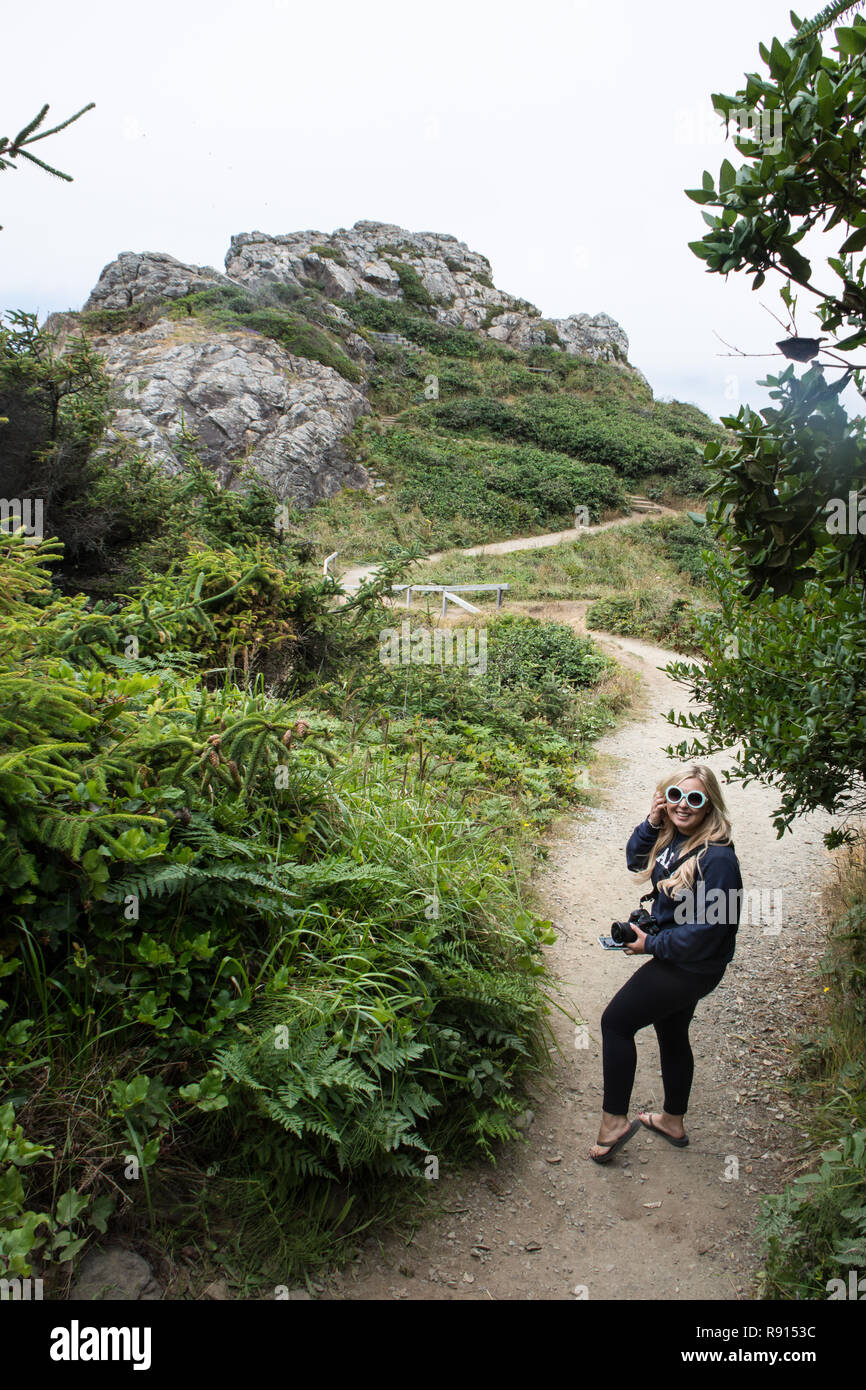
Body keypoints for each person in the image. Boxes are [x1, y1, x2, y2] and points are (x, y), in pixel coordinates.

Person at [589, 763, 742, 1163]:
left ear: (710, 805)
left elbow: (712, 931)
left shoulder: (719, 859)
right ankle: (672, 1121)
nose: (683, 806)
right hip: (683, 958)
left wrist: (652, 944)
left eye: (694, 799)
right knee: (671, 1032)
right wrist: (651, 821)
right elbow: (634, 860)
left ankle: (614, 1122)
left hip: (691, 966)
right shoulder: (673, 836)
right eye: (675, 796)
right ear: (665, 798)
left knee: (616, 1022)